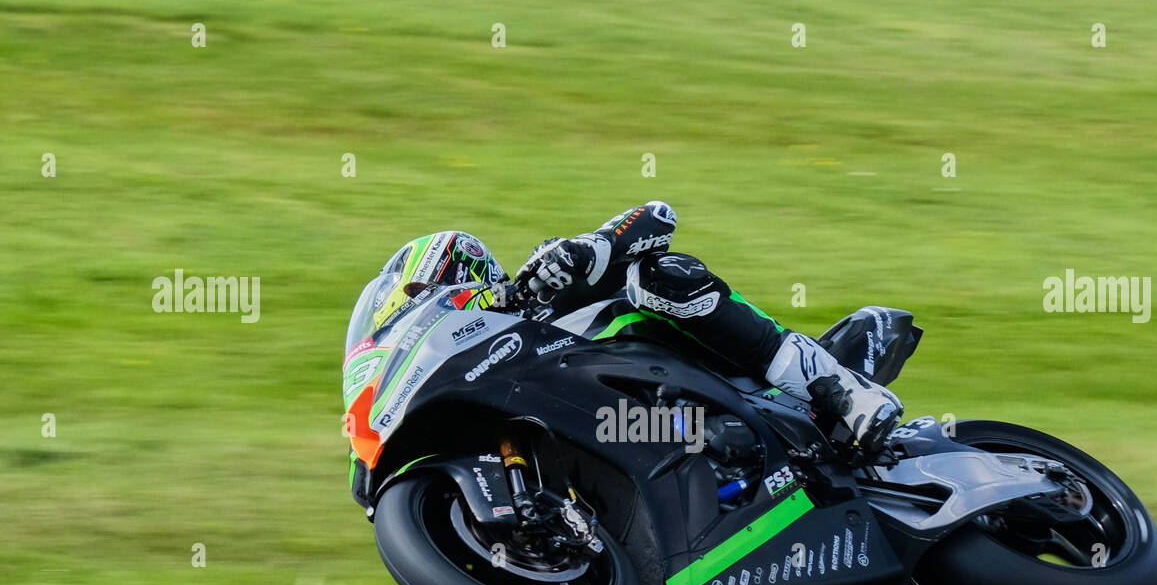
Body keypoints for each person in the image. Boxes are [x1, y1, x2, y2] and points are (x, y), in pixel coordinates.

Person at [356, 202, 902, 453]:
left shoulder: (547, 282)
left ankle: (840, 387)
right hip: (658, 433)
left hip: (725, 383)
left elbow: (658, 216)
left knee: (659, 274)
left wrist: (589, 250)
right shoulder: (487, 386)